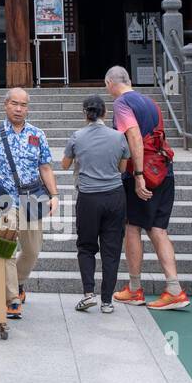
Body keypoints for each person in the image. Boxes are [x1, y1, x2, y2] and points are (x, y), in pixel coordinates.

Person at [106, 66, 188, 310]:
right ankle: (174, 288)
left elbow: (134, 137)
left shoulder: (122, 104)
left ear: (110, 82)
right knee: (158, 229)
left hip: (142, 174)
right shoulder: (151, 102)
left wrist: (139, 175)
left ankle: (134, 288)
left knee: (132, 227)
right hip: (164, 171)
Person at [0, 88, 58, 319]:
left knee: (32, 250)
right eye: (14, 104)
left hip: (32, 197)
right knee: (7, 249)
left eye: (23, 105)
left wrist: (54, 195)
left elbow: (45, 167)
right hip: (5, 197)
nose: (19, 109)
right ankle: (12, 298)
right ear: (5, 104)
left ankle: (17, 283)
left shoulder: (37, 134)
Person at [62, 95, 129, 314]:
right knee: (111, 250)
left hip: (88, 198)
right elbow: (123, 169)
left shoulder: (77, 136)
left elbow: (64, 165)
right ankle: (107, 301)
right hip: (115, 197)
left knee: (86, 246)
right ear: (105, 113)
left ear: (85, 113)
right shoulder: (119, 137)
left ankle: (89, 293)